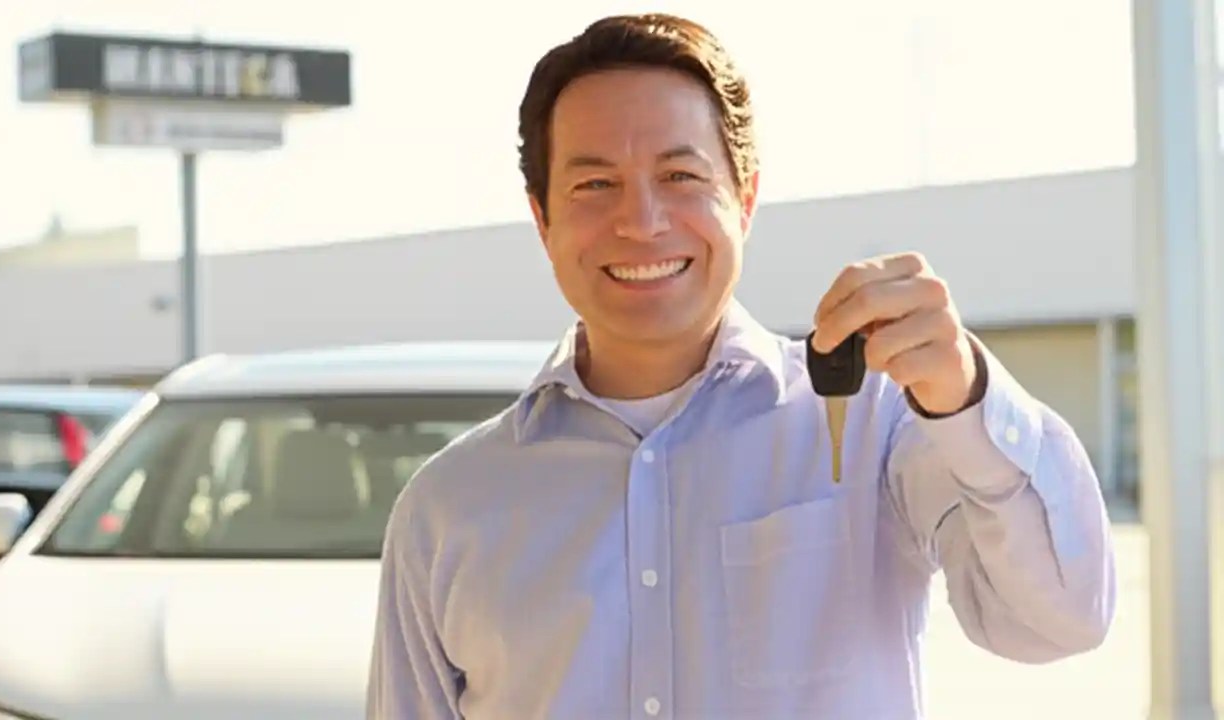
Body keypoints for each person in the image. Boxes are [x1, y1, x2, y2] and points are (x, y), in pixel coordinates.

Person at [368, 12, 1115, 720]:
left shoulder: (877, 423)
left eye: (681, 176)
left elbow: (1057, 623)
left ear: (745, 197)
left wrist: (964, 398)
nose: (642, 221)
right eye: (595, 184)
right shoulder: (448, 506)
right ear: (543, 218)